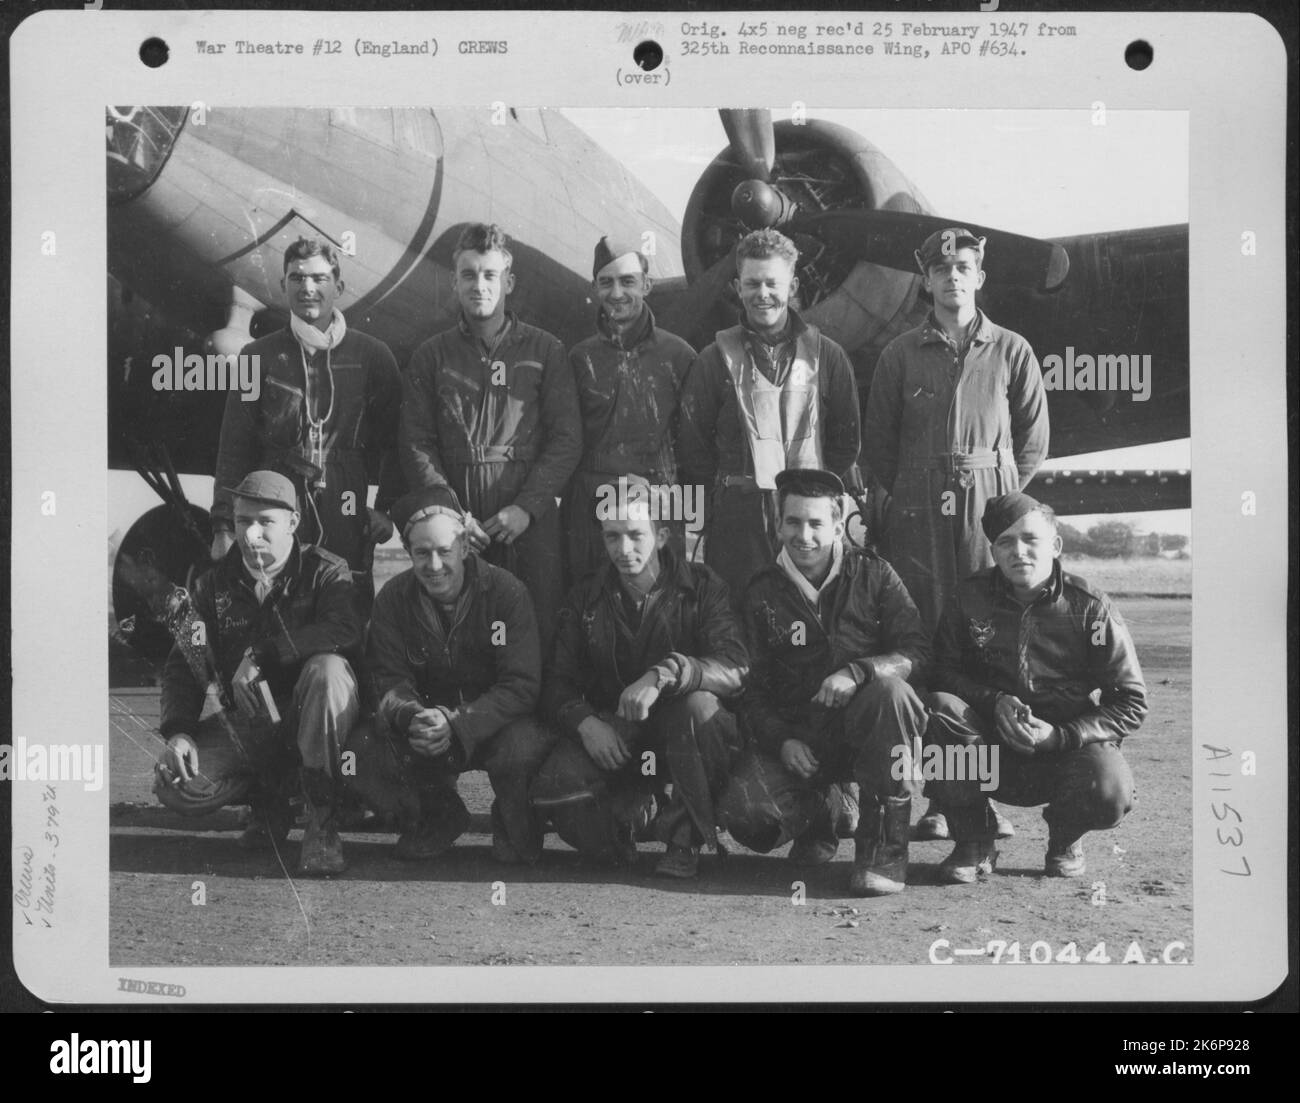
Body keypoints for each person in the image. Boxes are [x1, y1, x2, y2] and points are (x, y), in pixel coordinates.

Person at [863, 226, 1049, 841]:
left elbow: (1032, 444)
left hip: (983, 514)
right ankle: (941, 798)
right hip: (917, 519)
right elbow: (878, 449)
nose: (952, 278)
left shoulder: (1012, 351)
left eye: (964, 268)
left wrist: (992, 502)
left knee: (983, 644)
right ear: (926, 279)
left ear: (979, 276)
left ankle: (979, 797)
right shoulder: (898, 355)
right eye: (941, 270)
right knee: (924, 642)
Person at [718, 469, 931, 896]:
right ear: (777, 525)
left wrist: (861, 672)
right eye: (793, 522)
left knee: (892, 693)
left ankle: (883, 853)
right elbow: (752, 689)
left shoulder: (876, 575)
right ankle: (825, 812)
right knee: (748, 817)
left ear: (838, 526)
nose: (804, 535)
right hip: (801, 743)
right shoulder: (760, 592)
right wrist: (781, 742)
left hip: (867, 737)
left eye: (816, 523)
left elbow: (916, 653)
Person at [926, 492, 1146, 883]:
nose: (1019, 552)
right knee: (938, 709)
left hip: (1064, 752)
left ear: (1056, 546)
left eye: (1031, 539)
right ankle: (973, 839)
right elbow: (941, 672)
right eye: (1005, 542)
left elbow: (1130, 701)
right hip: (990, 750)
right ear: (993, 550)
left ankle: (1064, 840)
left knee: (1110, 790)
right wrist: (993, 702)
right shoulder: (968, 598)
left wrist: (1061, 735)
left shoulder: (1091, 608)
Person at [533, 483, 748, 878]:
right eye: (612, 536)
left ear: (662, 536)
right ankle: (630, 827)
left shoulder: (701, 587)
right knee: (557, 787)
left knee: (699, 709)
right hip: (617, 733)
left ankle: (685, 840)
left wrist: (663, 674)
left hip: (684, 734)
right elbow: (556, 682)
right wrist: (586, 723)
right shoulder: (587, 596)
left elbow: (734, 665)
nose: (623, 548)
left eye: (636, 535)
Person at [154, 471, 364, 875]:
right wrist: (178, 731)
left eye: (265, 522)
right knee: (176, 784)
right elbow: (184, 664)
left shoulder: (326, 572)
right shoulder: (212, 584)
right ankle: (269, 801)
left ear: (293, 523)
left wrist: (264, 654)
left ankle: (322, 821)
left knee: (329, 671)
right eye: (241, 521)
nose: (251, 535)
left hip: (316, 715)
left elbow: (344, 629)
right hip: (253, 722)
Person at [344, 487, 556, 863]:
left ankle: (513, 820)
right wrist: (414, 715)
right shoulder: (393, 600)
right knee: (359, 750)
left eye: (444, 551)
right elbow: (388, 682)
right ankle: (437, 813)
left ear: (464, 547)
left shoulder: (507, 593)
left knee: (523, 745)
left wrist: (458, 723)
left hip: (492, 727)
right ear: (409, 553)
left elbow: (521, 686)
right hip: (427, 728)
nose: (435, 564)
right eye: (422, 553)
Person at [400, 223, 581, 647]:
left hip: (528, 524)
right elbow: (416, 442)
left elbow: (566, 438)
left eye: (490, 275)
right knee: (466, 632)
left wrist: (527, 508)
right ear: (454, 282)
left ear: (509, 282)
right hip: (459, 523)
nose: (479, 285)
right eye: (468, 275)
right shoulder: (431, 356)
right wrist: (450, 516)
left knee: (539, 630)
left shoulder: (545, 350)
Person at [211, 238, 403, 608]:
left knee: (347, 606)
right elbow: (235, 444)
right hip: (275, 498)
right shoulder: (257, 355)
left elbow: (398, 441)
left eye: (319, 278)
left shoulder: (373, 356)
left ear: (339, 286)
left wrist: (388, 508)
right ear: (283, 286)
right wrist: (222, 524)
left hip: (346, 498)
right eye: (296, 278)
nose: (308, 288)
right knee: (273, 609)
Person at [678, 228, 860, 602]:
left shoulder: (829, 356)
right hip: (737, 520)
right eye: (753, 283)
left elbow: (847, 441)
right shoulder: (713, 360)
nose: (763, 294)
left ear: (792, 285)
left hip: (808, 517)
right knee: (737, 622)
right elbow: (693, 448)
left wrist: (816, 495)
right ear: (738, 287)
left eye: (773, 283)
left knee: (811, 617)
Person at [562, 236, 697, 583]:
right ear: (594, 287)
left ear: (647, 285)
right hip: (591, 510)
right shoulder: (579, 358)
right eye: (606, 283)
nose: (617, 293)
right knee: (589, 608)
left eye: (628, 281)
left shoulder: (679, 356)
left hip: (659, 506)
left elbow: (695, 450)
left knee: (663, 609)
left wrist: (683, 514)